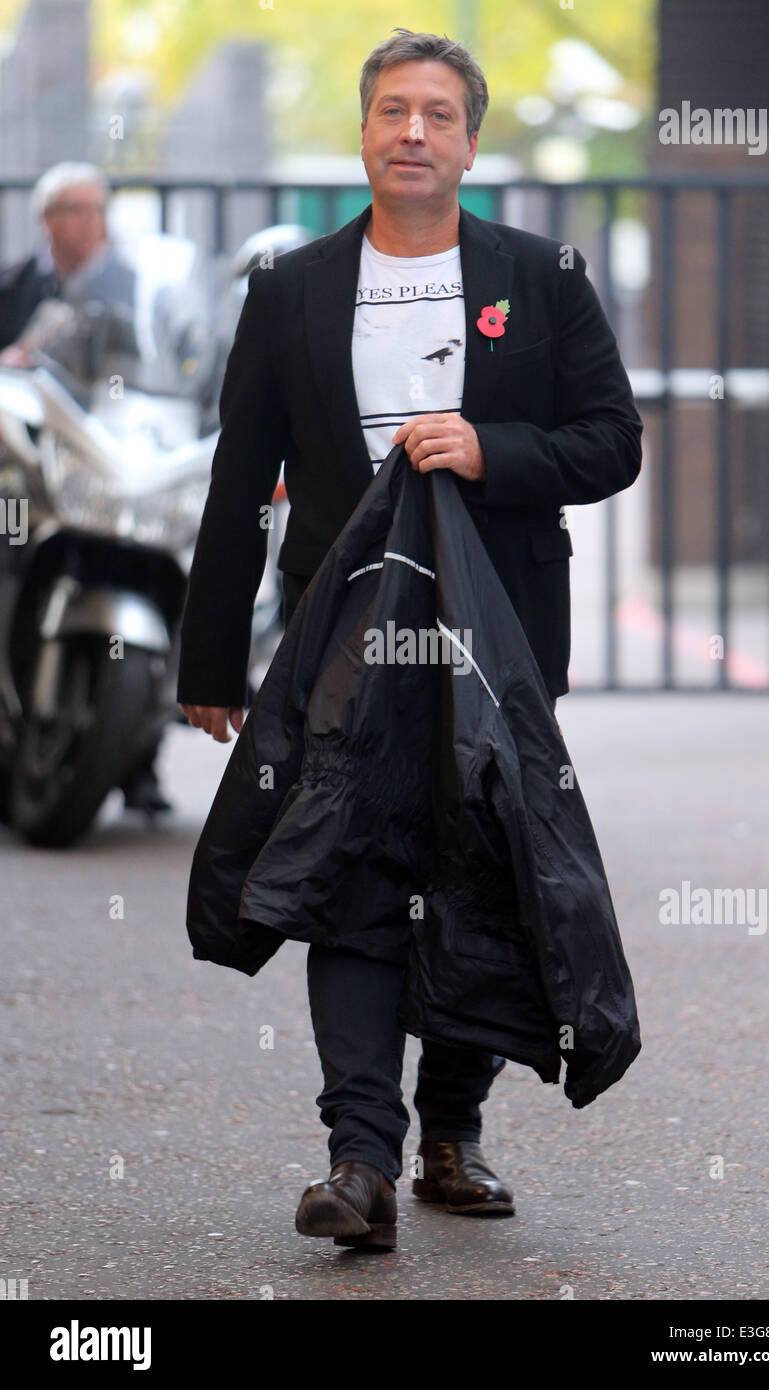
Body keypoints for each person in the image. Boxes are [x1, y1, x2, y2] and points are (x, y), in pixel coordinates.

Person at [177, 28, 643, 1249]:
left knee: (476, 875)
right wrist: (210, 660)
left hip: (498, 635)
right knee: (354, 871)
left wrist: (496, 452)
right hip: (346, 638)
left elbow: (611, 439)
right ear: (365, 133)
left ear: (470, 142)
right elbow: (240, 481)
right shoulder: (290, 289)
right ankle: (358, 1159)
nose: (413, 132)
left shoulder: (539, 274)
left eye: (437, 114)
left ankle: (450, 1133)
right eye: (392, 110)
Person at [0, 162, 171, 816]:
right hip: (33, 468)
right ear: (47, 219)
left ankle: (139, 760)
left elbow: (166, 368)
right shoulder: (17, 285)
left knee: (149, 566)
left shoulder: (135, 287)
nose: (89, 221)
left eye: (97, 208)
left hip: (111, 467)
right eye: (73, 209)